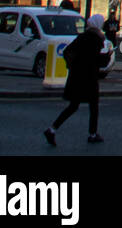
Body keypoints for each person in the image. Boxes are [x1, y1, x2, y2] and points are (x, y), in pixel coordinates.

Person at [44, 14, 111, 145]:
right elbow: (95, 61)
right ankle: (92, 134)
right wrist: (107, 57)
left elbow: (68, 52)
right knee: (93, 107)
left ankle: (52, 129)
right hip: (88, 79)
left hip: (76, 78)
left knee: (73, 106)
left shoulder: (82, 37)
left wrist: (72, 66)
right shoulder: (95, 39)